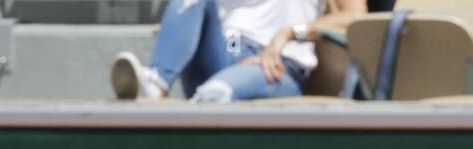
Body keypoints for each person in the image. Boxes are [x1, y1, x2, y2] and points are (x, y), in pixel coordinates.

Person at [111, 0, 365, 103]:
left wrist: (289, 33)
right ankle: (156, 83)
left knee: (215, 94)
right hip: (221, 53)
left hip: (276, 63)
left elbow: (355, 15)